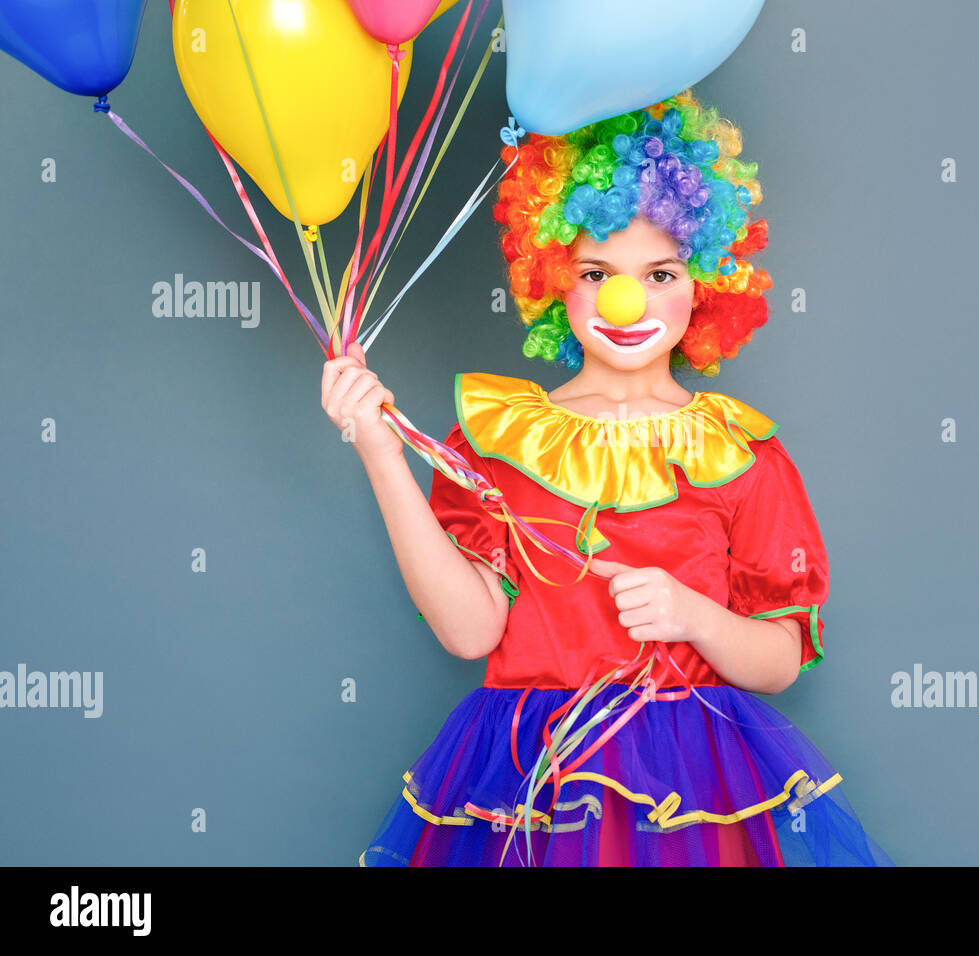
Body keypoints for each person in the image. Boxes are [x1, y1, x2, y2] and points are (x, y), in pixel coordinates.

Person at [328, 89, 894, 866]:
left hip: (694, 790)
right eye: (597, 271)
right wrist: (380, 454)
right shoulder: (498, 439)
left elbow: (782, 658)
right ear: (554, 273)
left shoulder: (741, 453)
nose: (627, 299)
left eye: (660, 273)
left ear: (707, 281)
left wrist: (694, 615)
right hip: (532, 786)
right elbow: (469, 633)